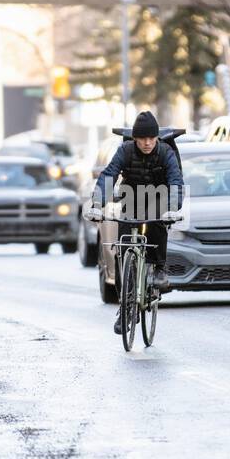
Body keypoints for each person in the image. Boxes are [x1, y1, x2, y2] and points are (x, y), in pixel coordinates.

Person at [87, 110, 184, 333]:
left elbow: (176, 182)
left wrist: (171, 209)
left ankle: (159, 269)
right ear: (135, 138)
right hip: (132, 199)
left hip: (160, 198)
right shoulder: (125, 150)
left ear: (157, 138)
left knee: (158, 223)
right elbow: (109, 175)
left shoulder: (166, 152)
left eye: (151, 138)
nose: (147, 143)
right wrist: (96, 205)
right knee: (123, 250)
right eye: (142, 139)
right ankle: (125, 307)